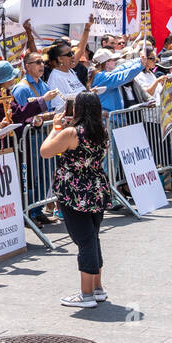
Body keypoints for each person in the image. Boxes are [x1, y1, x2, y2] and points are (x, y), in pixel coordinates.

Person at [40, 92, 113, 308]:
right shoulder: (102, 131)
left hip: (74, 191)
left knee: (85, 241)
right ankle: (97, 288)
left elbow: (45, 151)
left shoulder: (73, 133)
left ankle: (87, 294)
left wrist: (55, 128)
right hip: (96, 187)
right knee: (92, 237)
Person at [0, 61, 48, 126]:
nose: (14, 78)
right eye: (12, 76)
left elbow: (17, 113)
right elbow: (17, 114)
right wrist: (42, 100)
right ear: (7, 79)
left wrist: (33, 122)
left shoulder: (5, 92)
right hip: (5, 135)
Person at [90, 48, 147, 114]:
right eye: (113, 60)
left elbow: (122, 67)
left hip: (111, 118)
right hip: (109, 119)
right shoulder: (103, 77)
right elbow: (124, 75)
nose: (115, 62)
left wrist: (139, 60)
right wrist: (141, 65)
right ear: (107, 63)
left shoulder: (102, 75)